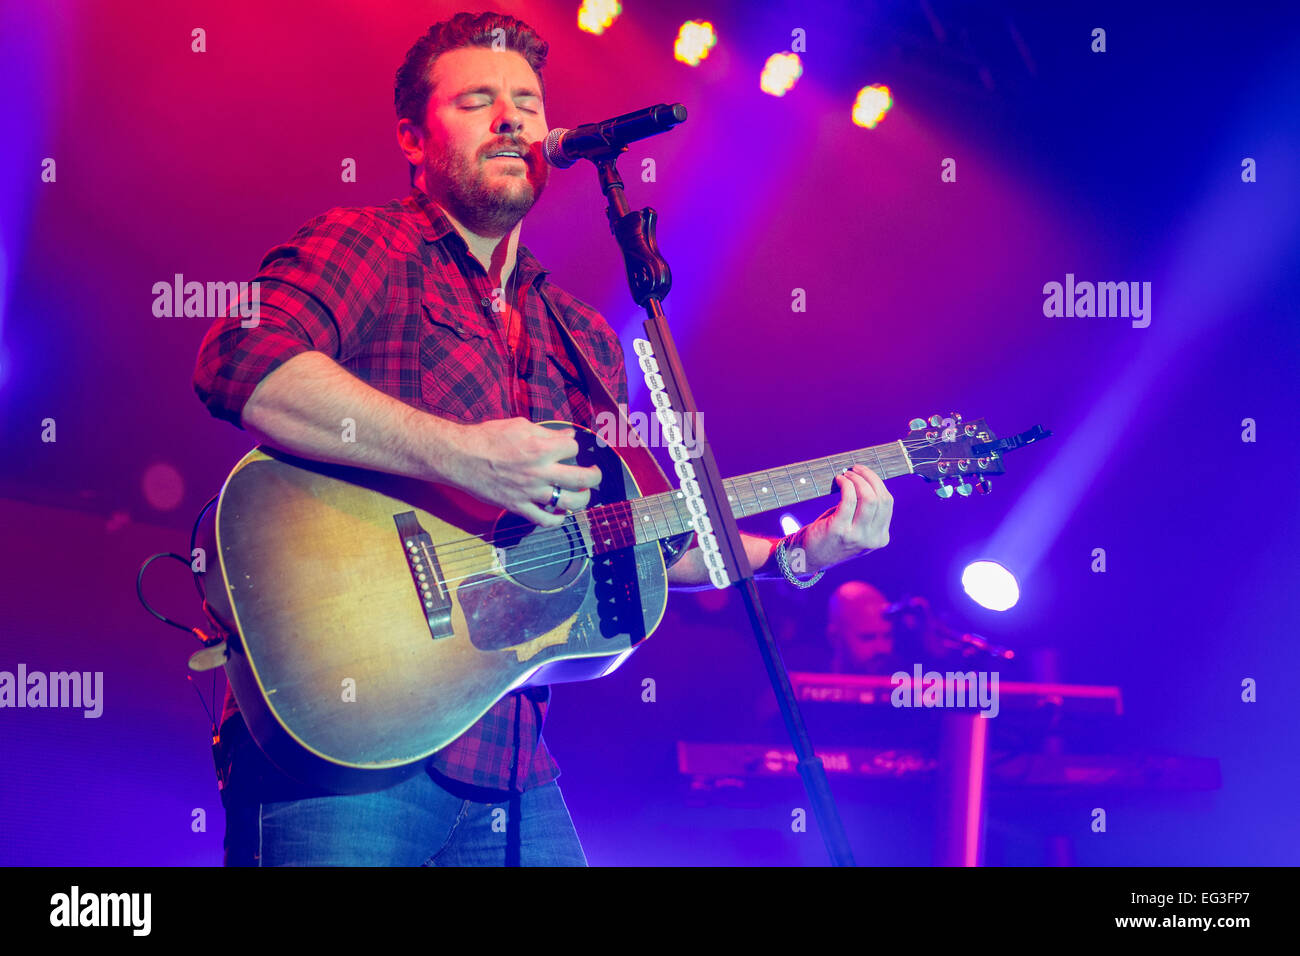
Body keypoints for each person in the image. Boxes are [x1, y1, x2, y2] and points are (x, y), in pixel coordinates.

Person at [191, 11, 895, 866]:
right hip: (344, 743)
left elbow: (655, 536)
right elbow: (242, 360)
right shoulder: (369, 244)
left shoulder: (582, 333)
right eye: (478, 100)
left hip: (511, 760)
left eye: (526, 100)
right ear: (413, 137)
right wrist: (460, 453)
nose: (512, 118)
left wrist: (802, 552)